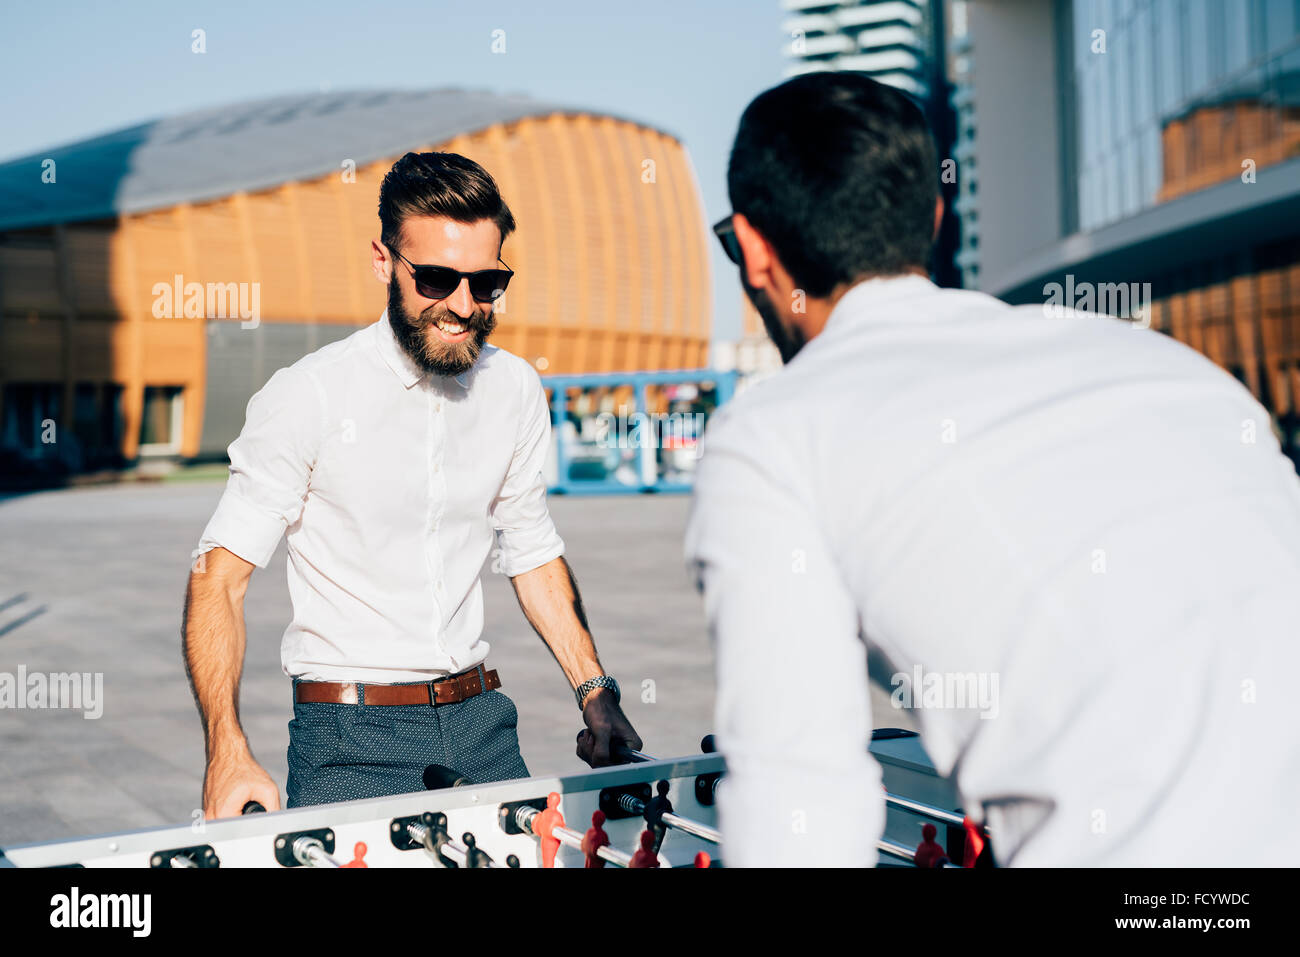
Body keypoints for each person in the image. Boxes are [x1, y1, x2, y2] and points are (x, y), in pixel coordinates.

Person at [685, 72, 1300, 867]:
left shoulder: (774, 439)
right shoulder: (1174, 370)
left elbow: (799, 815)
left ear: (755, 248)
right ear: (935, 221)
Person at [184, 151, 641, 819]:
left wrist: (594, 689)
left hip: (482, 725)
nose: (463, 305)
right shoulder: (308, 395)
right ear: (383, 262)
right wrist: (227, 749)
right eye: (435, 278)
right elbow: (217, 576)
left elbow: (532, 551)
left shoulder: (512, 388)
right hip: (349, 741)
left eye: (486, 282)